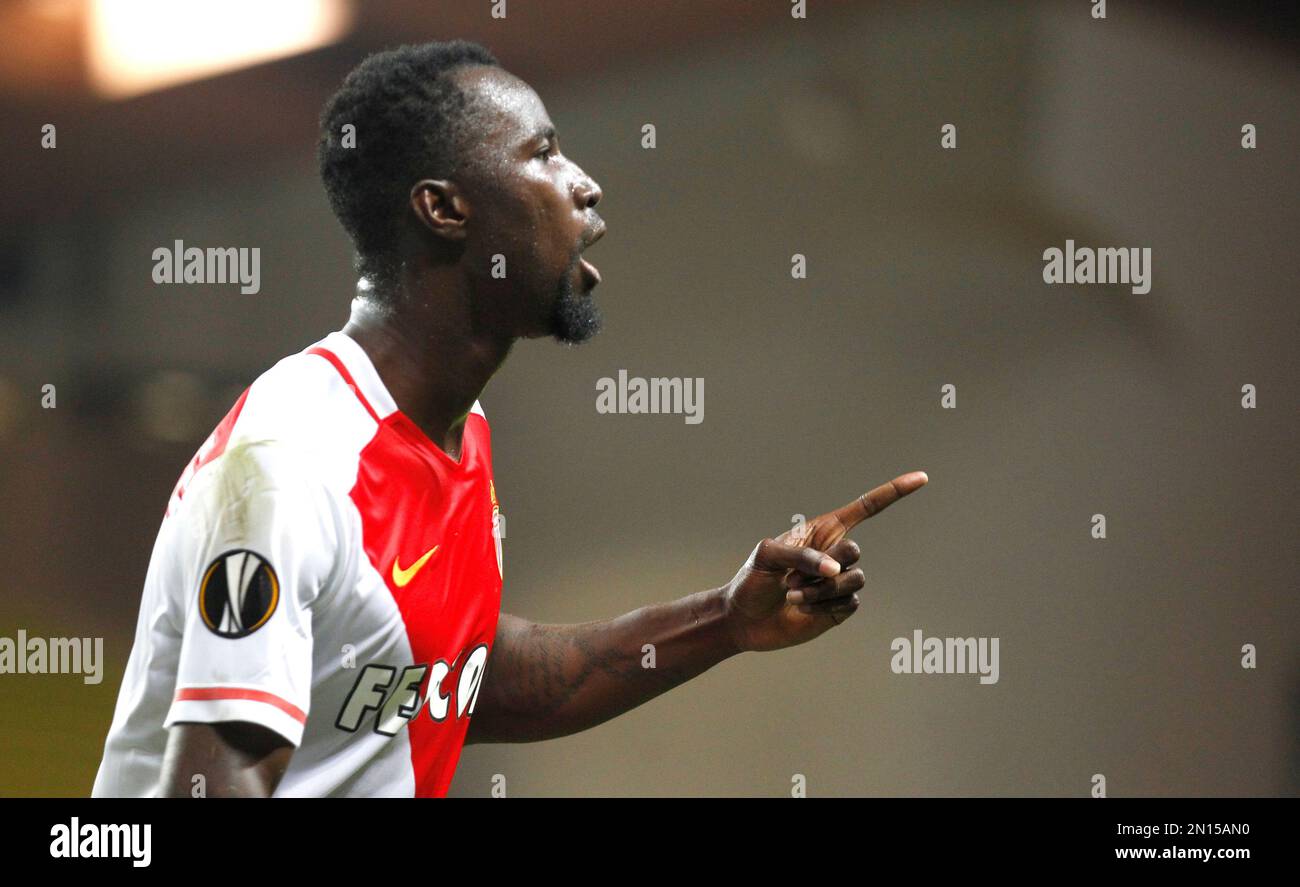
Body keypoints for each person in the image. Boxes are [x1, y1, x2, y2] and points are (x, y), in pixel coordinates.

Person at [92, 39, 927, 797]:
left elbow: (466, 672)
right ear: (444, 210)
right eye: (544, 152)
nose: (586, 184)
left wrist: (724, 619)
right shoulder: (291, 458)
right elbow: (215, 779)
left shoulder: (457, 428)